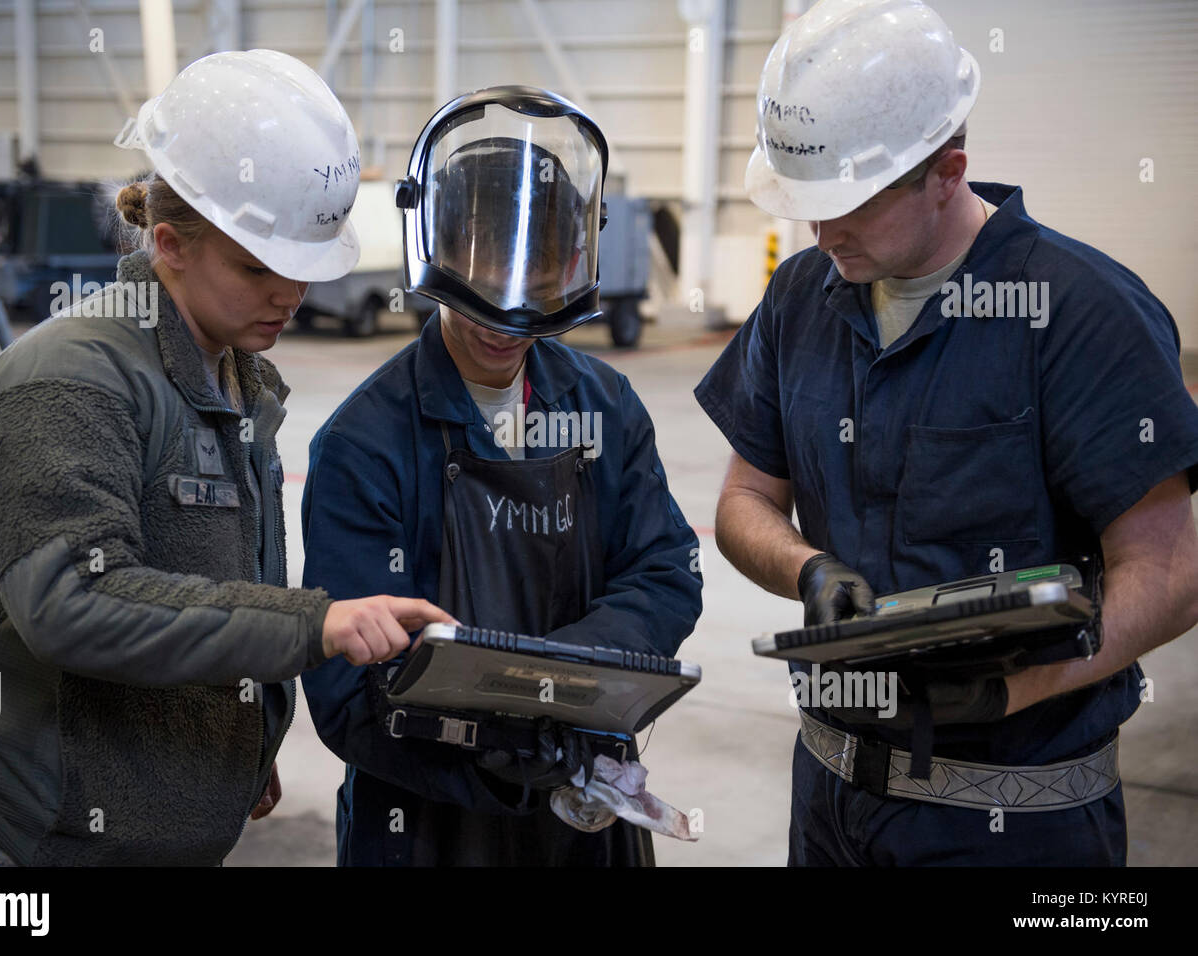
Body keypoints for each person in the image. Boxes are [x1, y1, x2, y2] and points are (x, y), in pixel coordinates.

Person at [0, 49, 450, 867]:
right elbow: (76, 600)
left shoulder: (237, 378)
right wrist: (315, 626)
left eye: (301, 270)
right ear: (169, 242)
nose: (289, 295)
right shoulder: (64, 381)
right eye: (261, 267)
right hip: (15, 849)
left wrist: (245, 739)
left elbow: (218, 576)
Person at [695, 0, 1198, 866]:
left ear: (947, 170)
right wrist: (808, 569)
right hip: (828, 799)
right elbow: (744, 498)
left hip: (1015, 822)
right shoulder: (801, 298)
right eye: (808, 205)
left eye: (850, 206)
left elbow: (1172, 576)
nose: (821, 233)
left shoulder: (1082, 314)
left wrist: (1012, 690)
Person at [300, 86, 703, 866]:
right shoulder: (364, 441)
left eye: (539, 269)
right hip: (422, 828)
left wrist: (560, 687)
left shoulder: (605, 406)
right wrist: (499, 744)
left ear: (571, 261)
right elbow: (344, 694)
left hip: (585, 811)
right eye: (478, 266)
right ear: (437, 245)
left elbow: (666, 572)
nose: (501, 316)